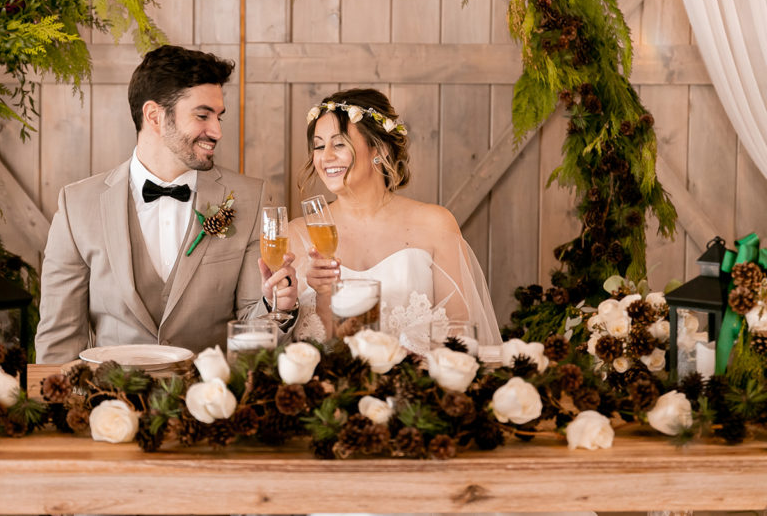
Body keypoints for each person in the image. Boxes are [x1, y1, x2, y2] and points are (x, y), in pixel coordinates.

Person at [35, 45, 297, 364]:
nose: (217, 131)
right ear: (155, 116)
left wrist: (275, 306)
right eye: (203, 115)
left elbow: (251, 332)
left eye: (218, 117)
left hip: (212, 404)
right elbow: (60, 339)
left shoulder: (251, 198)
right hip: (109, 404)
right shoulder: (77, 205)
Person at [292, 88, 501, 349]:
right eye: (319, 146)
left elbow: (461, 328)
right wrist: (323, 296)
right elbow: (298, 339)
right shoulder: (298, 235)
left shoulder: (435, 223)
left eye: (339, 143)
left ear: (379, 149)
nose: (325, 157)